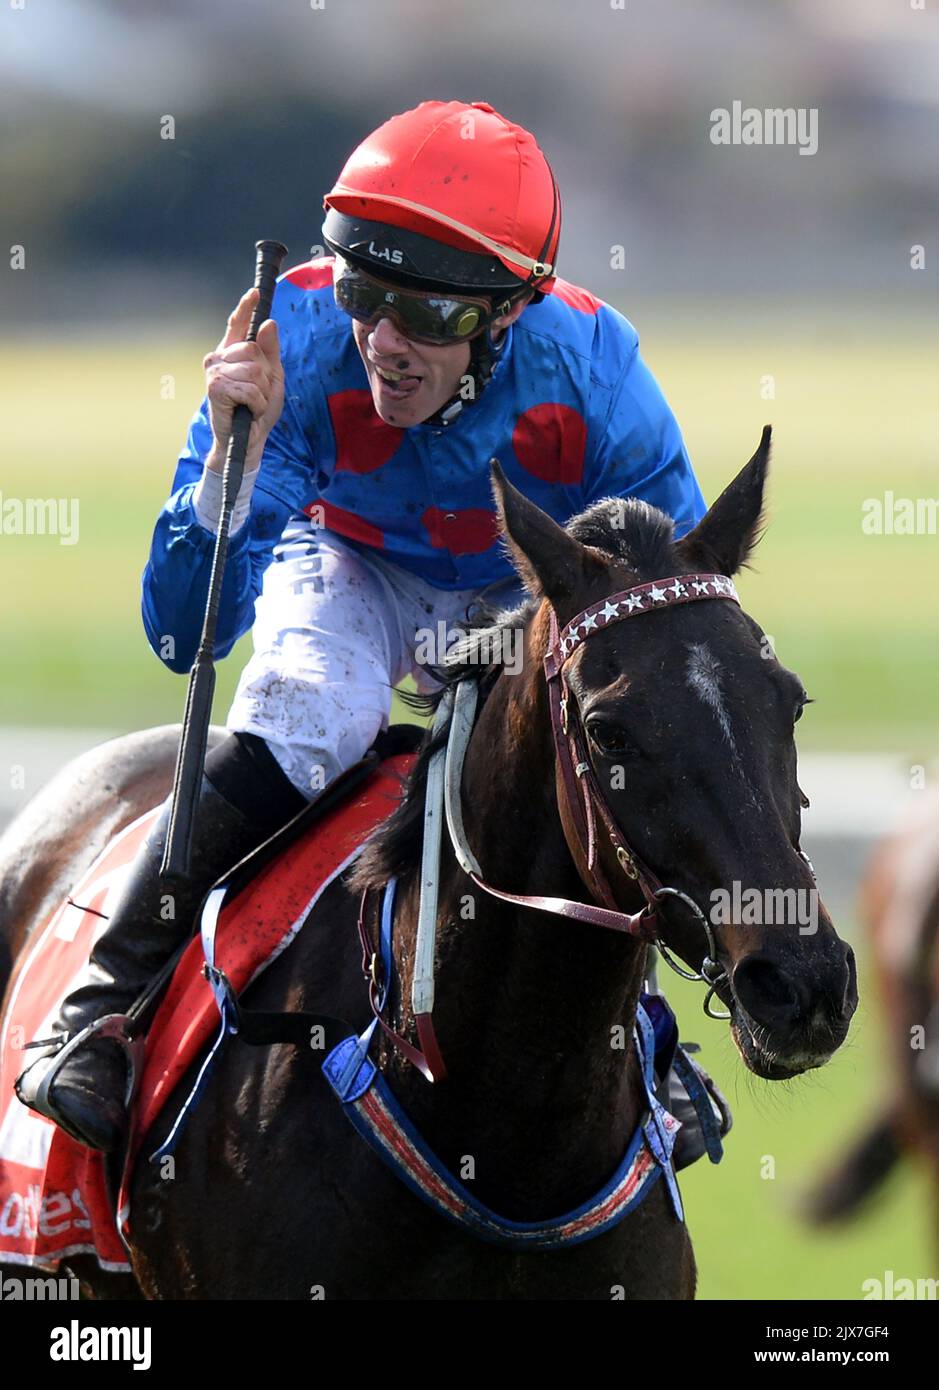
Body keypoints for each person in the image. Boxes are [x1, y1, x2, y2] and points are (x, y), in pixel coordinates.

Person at [18, 99, 709, 1155]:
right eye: (363, 292)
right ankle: (104, 1004)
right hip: (344, 561)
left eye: (423, 317)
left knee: (581, 761)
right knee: (309, 716)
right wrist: (228, 467)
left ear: (508, 312)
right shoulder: (289, 341)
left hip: (511, 590)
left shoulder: (600, 376)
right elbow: (177, 636)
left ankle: (656, 1041)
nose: (380, 344)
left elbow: (672, 608)